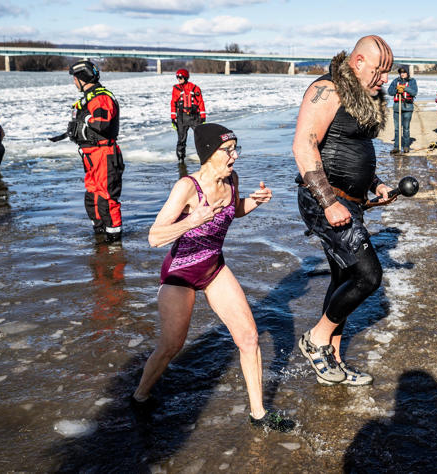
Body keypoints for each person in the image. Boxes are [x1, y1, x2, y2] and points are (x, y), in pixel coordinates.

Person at [132, 123, 294, 432]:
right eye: (228, 150)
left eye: (236, 148)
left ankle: (258, 413)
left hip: (214, 267)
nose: (235, 156)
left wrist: (254, 202)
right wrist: (192, 220)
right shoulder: (187, 187)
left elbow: (233, 210)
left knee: (249, 338)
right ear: (209, 153)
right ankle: (140, 396)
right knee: (171, 345)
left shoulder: (232, 179)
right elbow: (154, 237)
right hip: (180, 274)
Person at [292, 35, 394, 385]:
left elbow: (352, 149)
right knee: (368, 276)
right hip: (324, 199)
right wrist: (329, 201)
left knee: (343, 278)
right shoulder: (327, 90)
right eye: (380, 72)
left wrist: (375, 184)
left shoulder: (359, 98)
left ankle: (332, 362)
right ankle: (316, 340)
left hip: (349, 201)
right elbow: (304, 144)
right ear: (359, 62)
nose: (384, 80)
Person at [67, 60, 125, 242]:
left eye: (75, 78)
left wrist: (84, 122)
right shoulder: (89, 97)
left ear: (81, 78)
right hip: (91, 154)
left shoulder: (100, 97)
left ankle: (114, 245)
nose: (74, 82)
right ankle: (100, 237)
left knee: (106, 197)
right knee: (92, 196)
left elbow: (102, 122)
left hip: (103, 153)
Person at [171, 68, 206, 162]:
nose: (178, 79)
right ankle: (181, 159)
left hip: (194, 117)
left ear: (186, 77)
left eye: (180, 77)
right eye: (177, 77)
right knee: (181, 139)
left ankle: (205, 156)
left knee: (200, 137)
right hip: (181, 117)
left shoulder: (195, 88)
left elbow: (201, 102)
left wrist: (203, 116)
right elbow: (173, 103)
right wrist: (173, 118)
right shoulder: (176, 89)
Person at [387, 66, 417, 154]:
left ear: (407, 73)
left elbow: (414, 92)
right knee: (397, 128)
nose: (402, 74)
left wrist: (404, 88)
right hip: (397, 107)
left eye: (404, 72)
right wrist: (397, 89)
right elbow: (390, 92)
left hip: (407, 107)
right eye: (401, 73)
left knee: (406, 128)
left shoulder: (412, 81)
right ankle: (396, 147)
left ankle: (406, 146)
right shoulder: (396, 81)